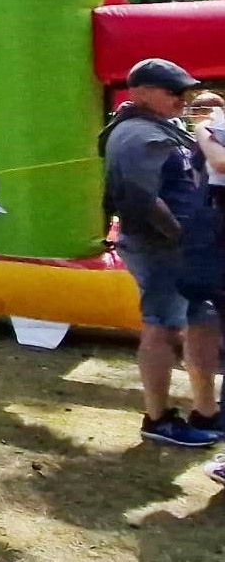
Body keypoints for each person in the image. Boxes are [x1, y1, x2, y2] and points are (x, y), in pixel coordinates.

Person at [102, 58, 222, 447]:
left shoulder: (159, 126)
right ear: (141, 92)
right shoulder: (136, 134)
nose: (182, 99)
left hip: (185, 247)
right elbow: (139, 197)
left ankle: (206, 410)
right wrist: (179, 236)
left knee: (198, 321)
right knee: (161, 325)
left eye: (185, 91)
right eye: (174, 92)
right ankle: (157, 419)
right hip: (160, 247)